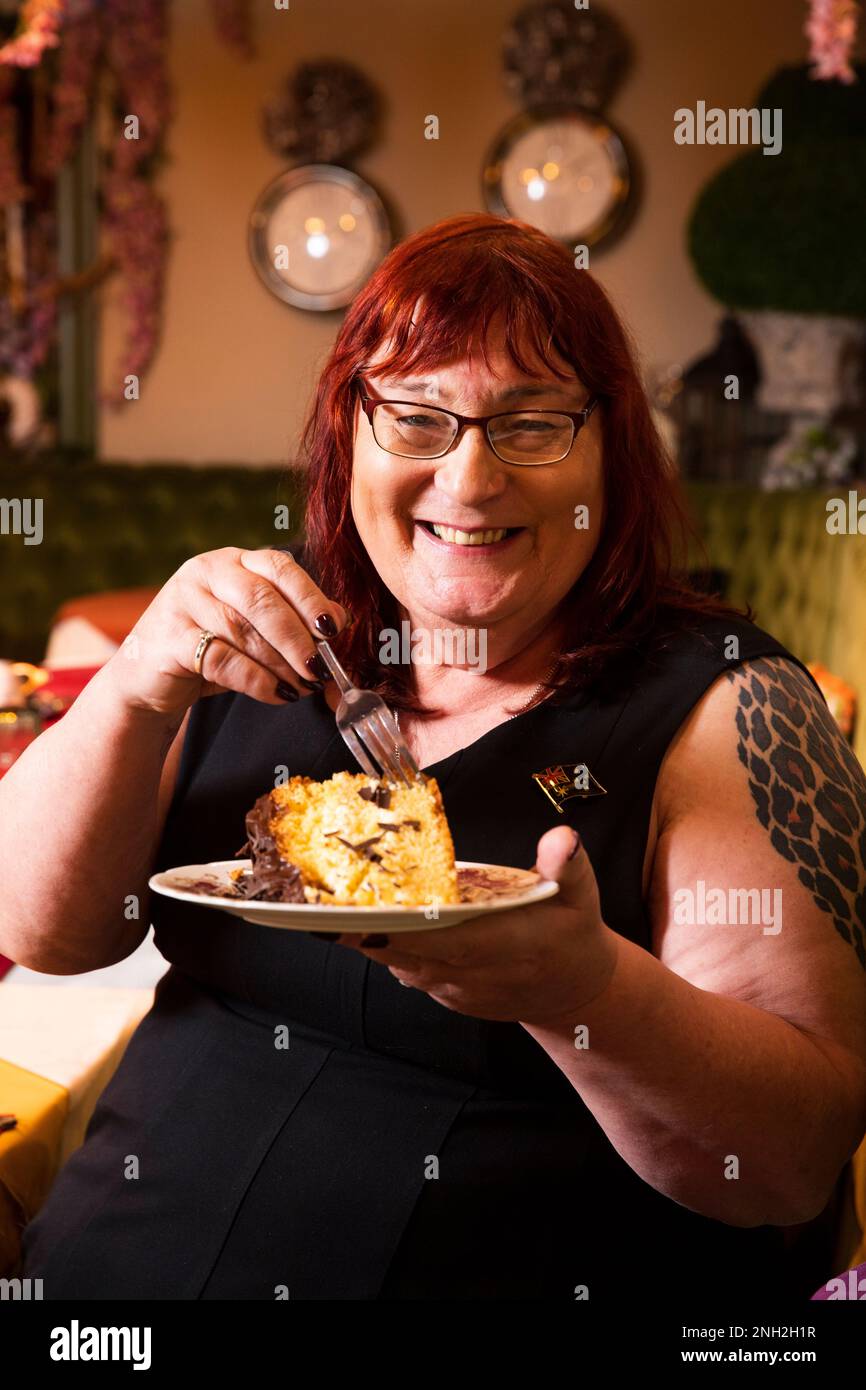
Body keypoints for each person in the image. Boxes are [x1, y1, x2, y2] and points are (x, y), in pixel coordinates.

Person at [6, 214, 865, 1301]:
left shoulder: (726, 700)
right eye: (414, 418)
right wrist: (132, 688)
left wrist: (584, 988)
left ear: (612, 448)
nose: (467, 480)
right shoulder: (269, 637)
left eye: (532, 425)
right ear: (345, 437)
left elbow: (787, 1164)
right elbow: (46, 931)